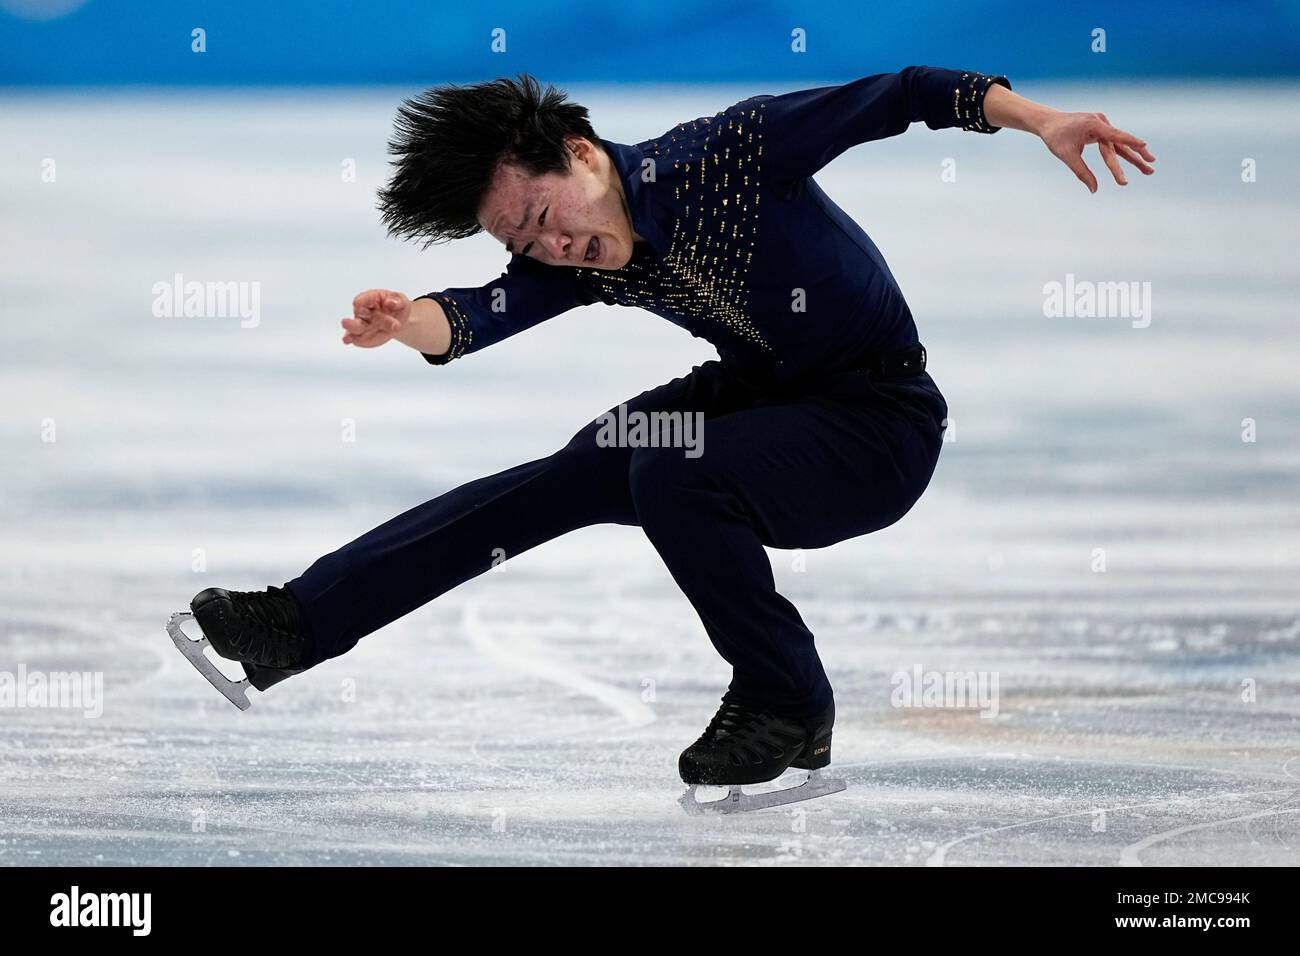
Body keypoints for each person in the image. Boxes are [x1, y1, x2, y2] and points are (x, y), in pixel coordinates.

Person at [184, 69, 1154, 803]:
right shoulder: (575, 256)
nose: (552, 248)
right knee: (576, 469)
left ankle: (785, 701)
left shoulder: (725, 153)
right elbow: (479, 314)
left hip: (875, 424)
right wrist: (407, 323)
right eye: (526, 245)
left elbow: (899, 96)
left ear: (578, 150)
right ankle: (298, 621)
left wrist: (1040, 120)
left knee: (672, 471)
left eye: (540, 220)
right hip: (758, 398)